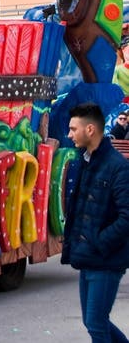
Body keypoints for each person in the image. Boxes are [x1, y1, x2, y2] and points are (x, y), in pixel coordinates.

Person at [63, 102, 129, 342]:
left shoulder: (118, 167)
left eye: (73, 128)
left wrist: (98, 242)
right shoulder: (86, 161)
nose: (69, 134)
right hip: (88, 256)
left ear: (90, 129)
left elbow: (127, 217)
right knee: (94, 321)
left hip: (106, 259)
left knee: (95, 323)